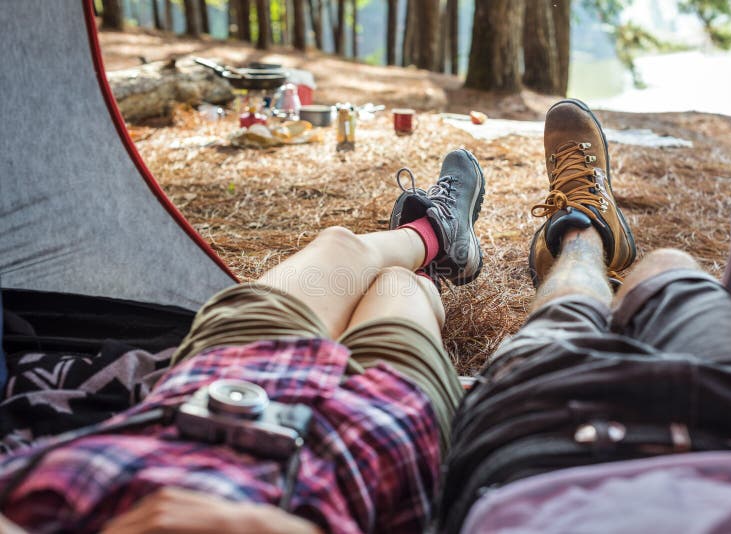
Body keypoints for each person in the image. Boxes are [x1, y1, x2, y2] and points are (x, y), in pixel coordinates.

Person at [0, 149, 487, 533]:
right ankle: (429, 270)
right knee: (400, 288)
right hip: (369, 446)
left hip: (205, 396)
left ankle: (436, 235)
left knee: (340, 245)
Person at [436, 99, 731, 534]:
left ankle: (580, 231)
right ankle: (596, 230)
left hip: (539, 456)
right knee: (668, 266)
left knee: (570, 299)